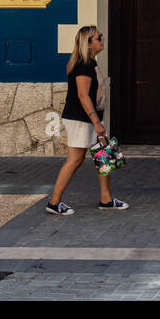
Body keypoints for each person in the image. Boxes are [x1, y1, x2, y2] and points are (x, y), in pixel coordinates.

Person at [46, 25, 128, 215]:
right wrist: (96, 122)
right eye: (99, 37)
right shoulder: (84, 65)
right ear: (89, 43)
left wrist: (97, 120)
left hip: (90, 118)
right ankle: (54, 202)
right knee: (75, 159)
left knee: (103, 154)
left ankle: (106, 199)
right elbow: (83, 96)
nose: (103, 40)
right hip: (81, 119)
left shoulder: (90, 62)